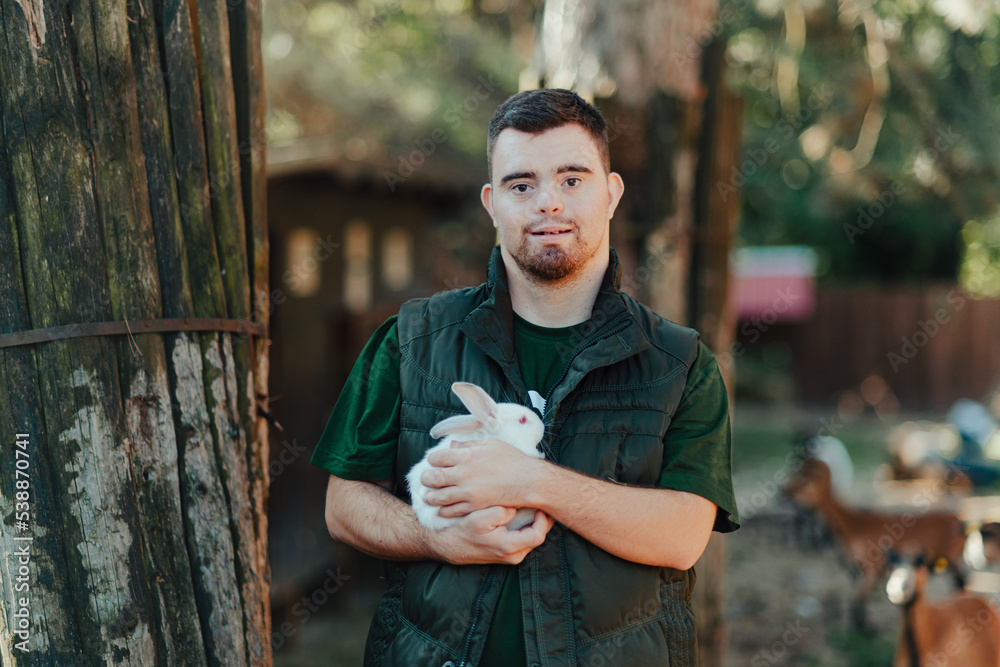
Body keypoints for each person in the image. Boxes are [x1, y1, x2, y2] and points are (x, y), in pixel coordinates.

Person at [311, 88, 739, 666]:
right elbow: (344, 505)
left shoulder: (679, 363)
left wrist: (532, 481)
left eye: (572, 179)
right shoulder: (411, 339)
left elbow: (685, 536)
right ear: (492, 203)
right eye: (521, 185)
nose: (548, 204)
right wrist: (437, 537)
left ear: (610, 194)